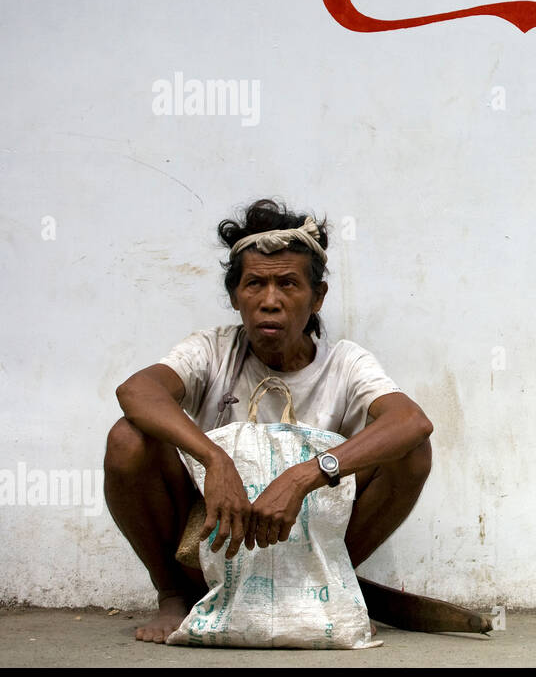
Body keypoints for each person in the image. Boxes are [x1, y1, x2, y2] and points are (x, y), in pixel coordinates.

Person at [105, 199, 433, 643]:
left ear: (317, 297)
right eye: (255, 284)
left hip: (306, 544)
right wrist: (215, 460)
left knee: (411, 452)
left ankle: (328, 591)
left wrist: (306, 475)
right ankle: (174, 596)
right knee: (128, 439)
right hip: (215, 547)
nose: (270, 302)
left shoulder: (345, 363)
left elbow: (411, 421)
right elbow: (136, 392)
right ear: (234, 295)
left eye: (288, 284)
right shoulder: (212, 350)